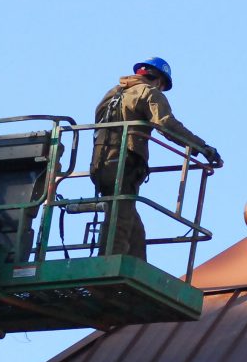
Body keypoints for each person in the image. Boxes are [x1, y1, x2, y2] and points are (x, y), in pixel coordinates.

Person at [91, 56, 221, 261]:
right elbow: (166, 125)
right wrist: (201, 147)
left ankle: (134, 272)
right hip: (124, 164)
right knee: (120, 219)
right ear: (159, 81)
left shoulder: (111, 95)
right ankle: (106, 267)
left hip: (100, 164)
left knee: (133, 228)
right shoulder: (148, 93)